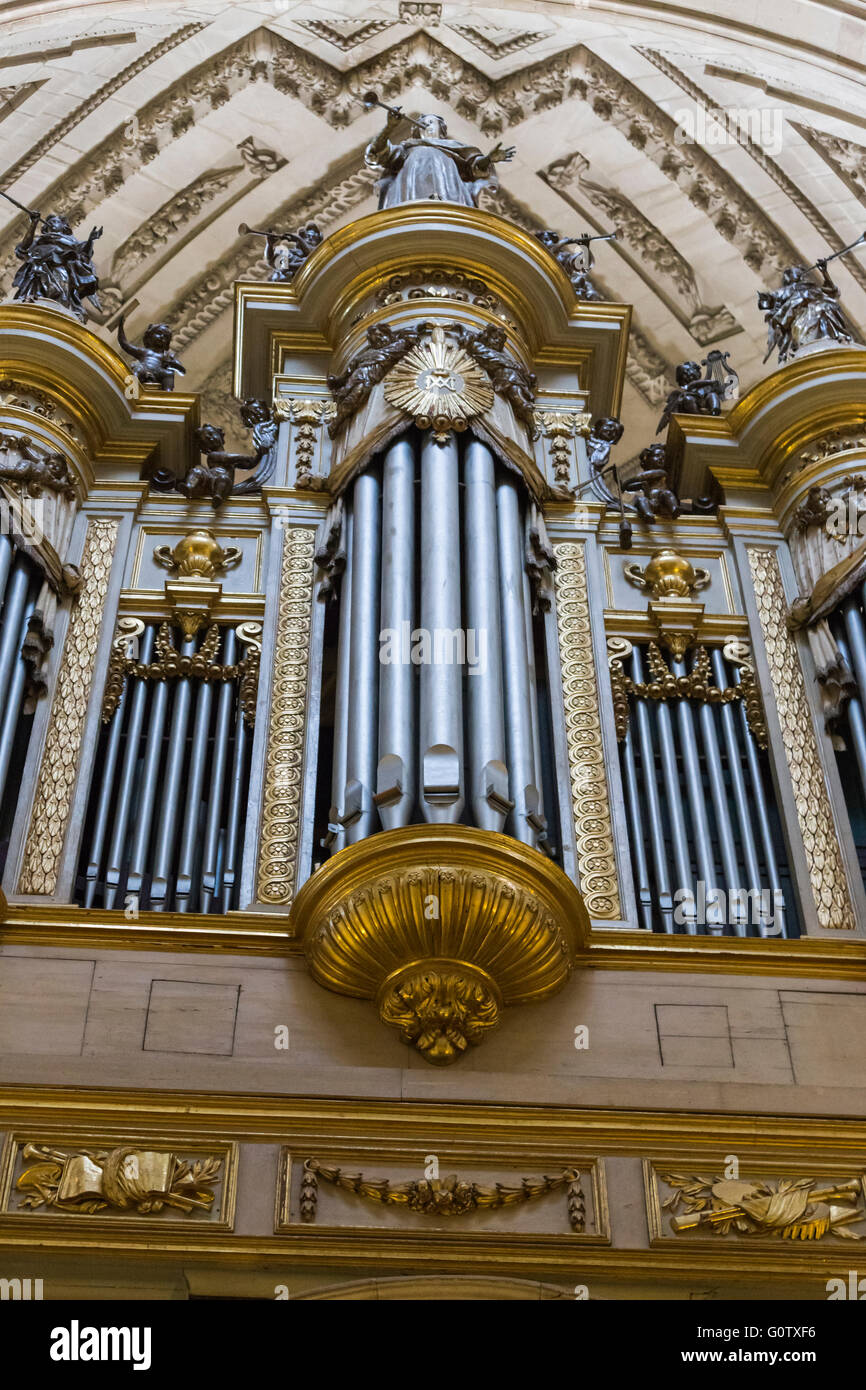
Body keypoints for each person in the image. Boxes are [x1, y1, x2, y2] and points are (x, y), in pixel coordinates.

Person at [365, 111, 514, 209]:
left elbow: (474, 168)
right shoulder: (408, 148)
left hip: (449, 189)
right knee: (421, 153)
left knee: (431, 155)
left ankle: (442, 203)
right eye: (423, 123)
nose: (427, 125)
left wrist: (489, 159)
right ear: (418, 131)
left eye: (431, 122)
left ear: (441, 130)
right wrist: (389, 127)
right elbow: (378, 152)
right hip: (410, 191)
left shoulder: (455, 147)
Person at [13, 211, 102, 319]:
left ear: (63, 226)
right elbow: (24, 248)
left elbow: (83, 256)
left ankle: (52, 315)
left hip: (59, 270)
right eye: (49, 223)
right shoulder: (40, 241)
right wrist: (34, 224)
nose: (51, 224)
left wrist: (91, 241)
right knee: (36, 295)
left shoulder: (72, 243)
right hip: (38, 271)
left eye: (55, 221)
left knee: (58, 293)